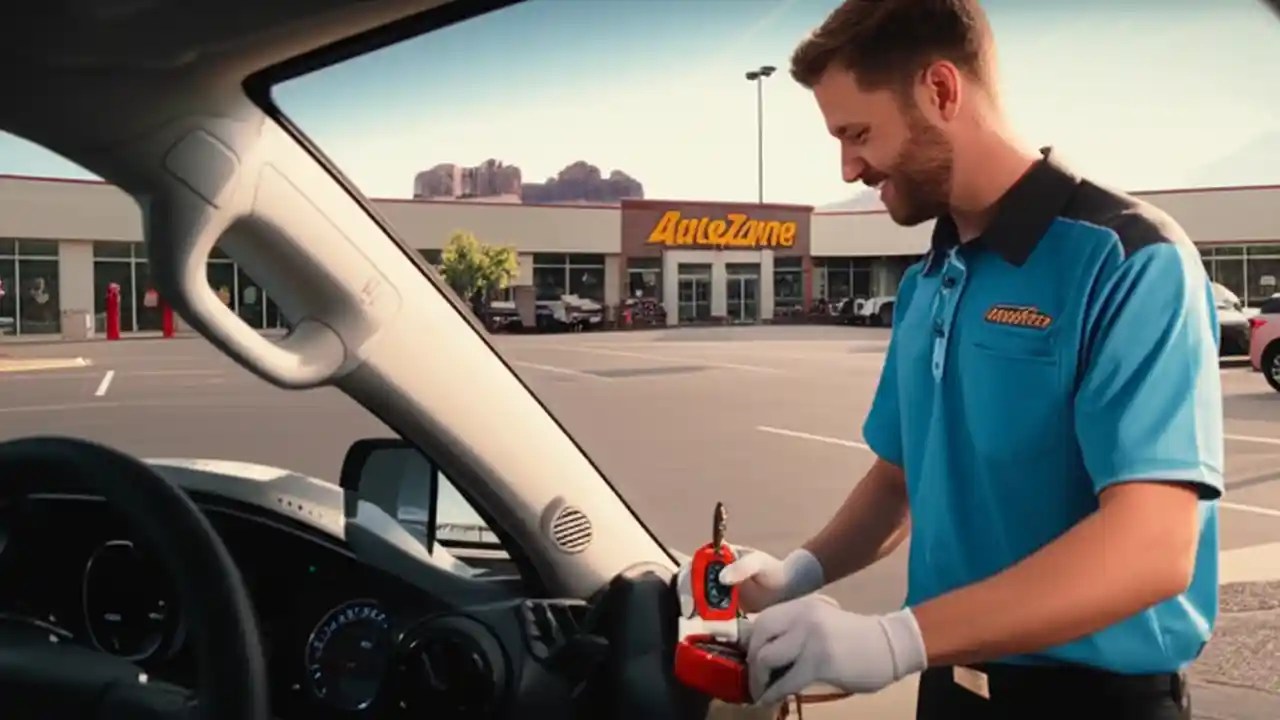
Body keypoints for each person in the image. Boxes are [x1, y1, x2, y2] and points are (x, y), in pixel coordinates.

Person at [717, 1, 1224, 718]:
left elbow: (1154, 547)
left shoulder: (1129, 260)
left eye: (858, 134)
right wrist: (798, 572)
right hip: (947, 689)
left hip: (1093, 703)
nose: (849, 166)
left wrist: (895, 640)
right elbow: (899, 478)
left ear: (941, 91)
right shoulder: (929, 279)